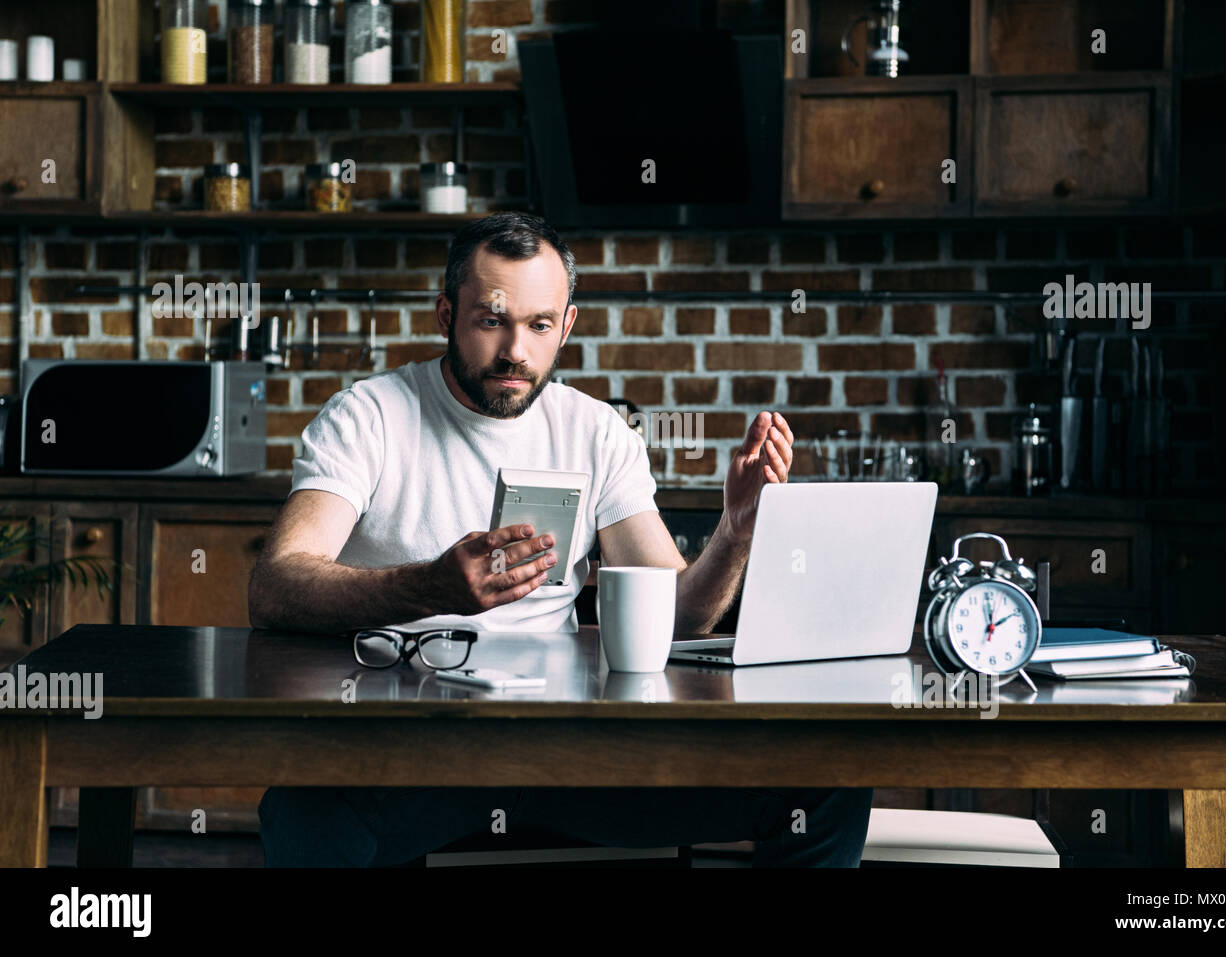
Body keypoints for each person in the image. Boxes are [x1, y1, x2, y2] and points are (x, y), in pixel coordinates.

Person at [247, 211, 872, 867]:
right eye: (492, 320)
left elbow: (679, 612)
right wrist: (428, 586)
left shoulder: (597, 432)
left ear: (566, 325)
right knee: (302, 808)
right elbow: (276, 584)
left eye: (540, 325)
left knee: (826, 780)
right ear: (445, 315)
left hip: (572, 751)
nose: (516, 349)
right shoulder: (368, 417)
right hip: (414, 752)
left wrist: (737, 530)